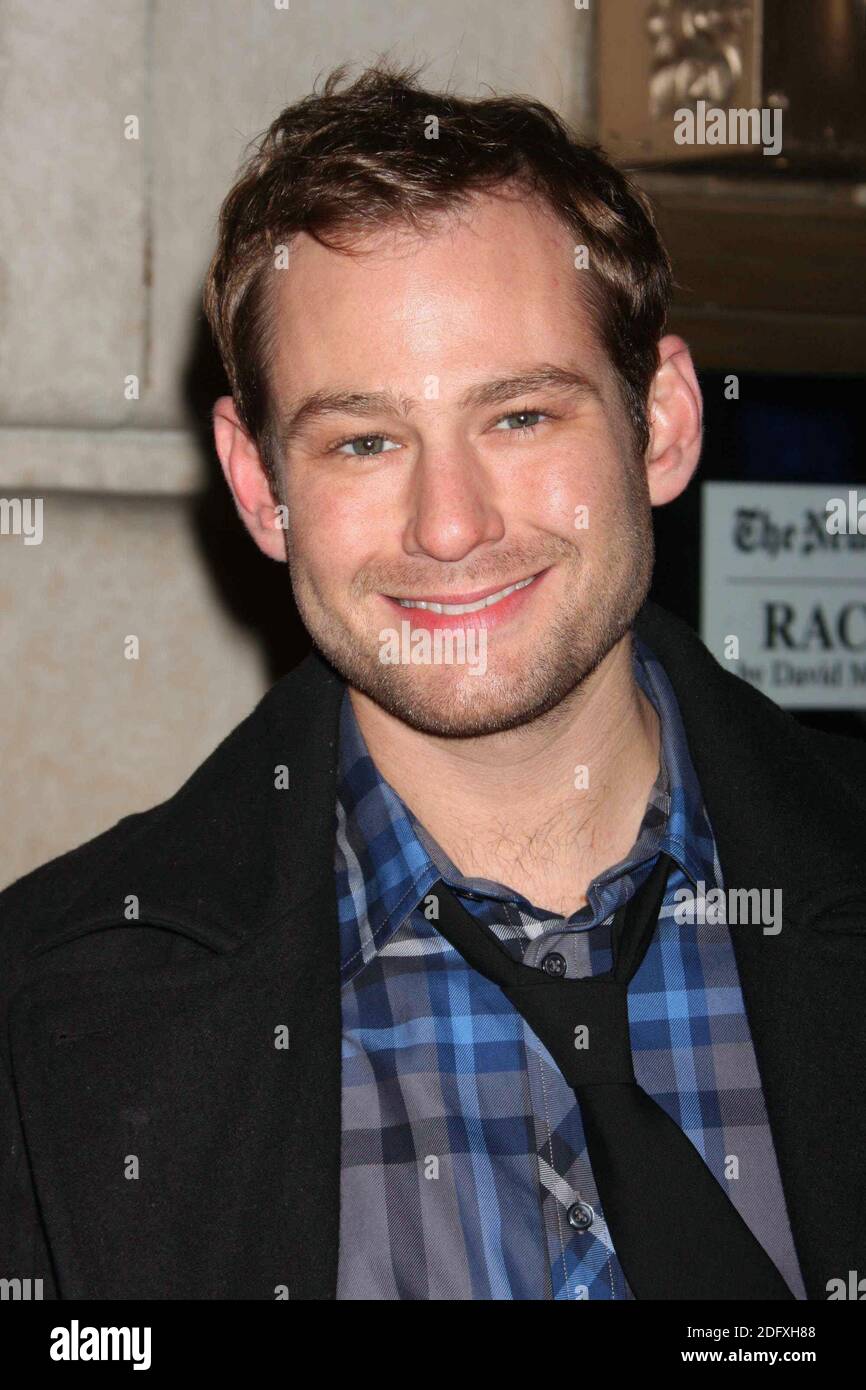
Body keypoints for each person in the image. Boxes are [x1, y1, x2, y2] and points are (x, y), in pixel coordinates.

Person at [2, 61, 864, 1302]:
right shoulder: (41, 1018)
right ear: (260, 489)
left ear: (660, 423)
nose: (448, 526)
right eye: (362, 440)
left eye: (519, 416)